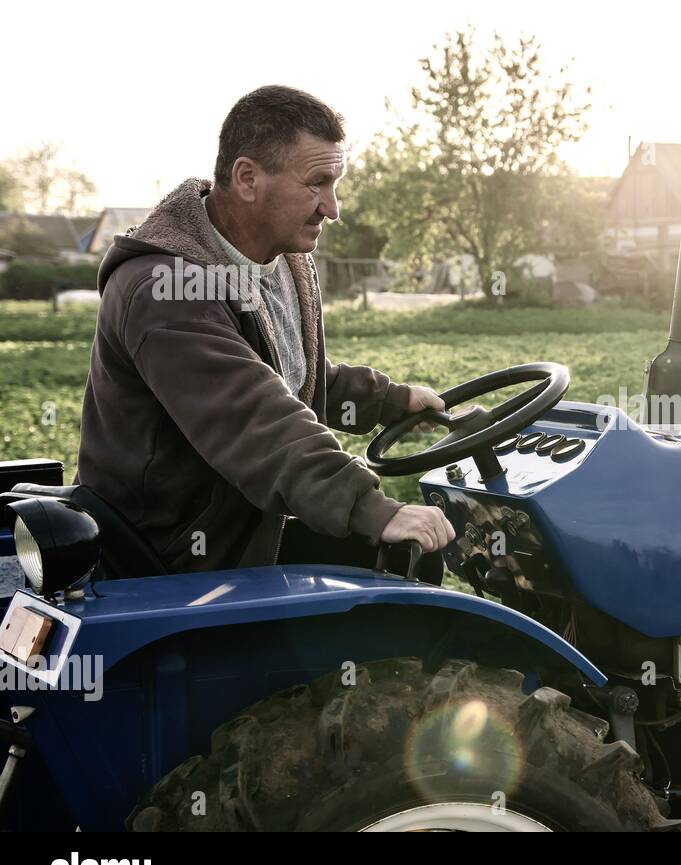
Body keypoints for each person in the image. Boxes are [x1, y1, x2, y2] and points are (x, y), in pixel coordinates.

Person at [77, 85, 455, 574]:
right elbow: (252, 417)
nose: (332, 207)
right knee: (386, 560)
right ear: (248, 177)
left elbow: (283, 372)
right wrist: (372, 508)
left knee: (409, 565)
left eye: (334, 183)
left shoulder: (281, 263)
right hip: (168, 562)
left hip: (244, 533)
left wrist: (388, 401)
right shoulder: (163, 289)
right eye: (316, 183)